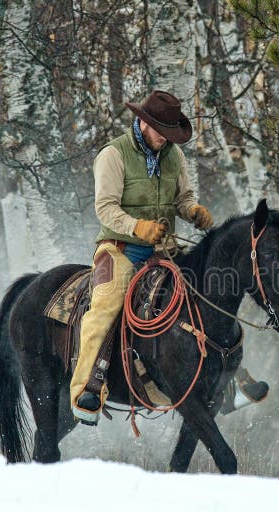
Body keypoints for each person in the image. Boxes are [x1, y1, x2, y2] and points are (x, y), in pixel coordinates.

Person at [71, 90, 267, 424]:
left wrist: (192, 210)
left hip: (165, 251)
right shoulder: (113, 155)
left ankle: (227, 383)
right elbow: (105, 208)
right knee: (105, 304)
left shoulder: (173, 156)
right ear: (144, 123)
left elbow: (183, 196)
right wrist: (137, 227)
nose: (166, 137)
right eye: (161, 129)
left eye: (171, 131)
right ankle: (86, 388)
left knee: (208, 294)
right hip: (120, 249)